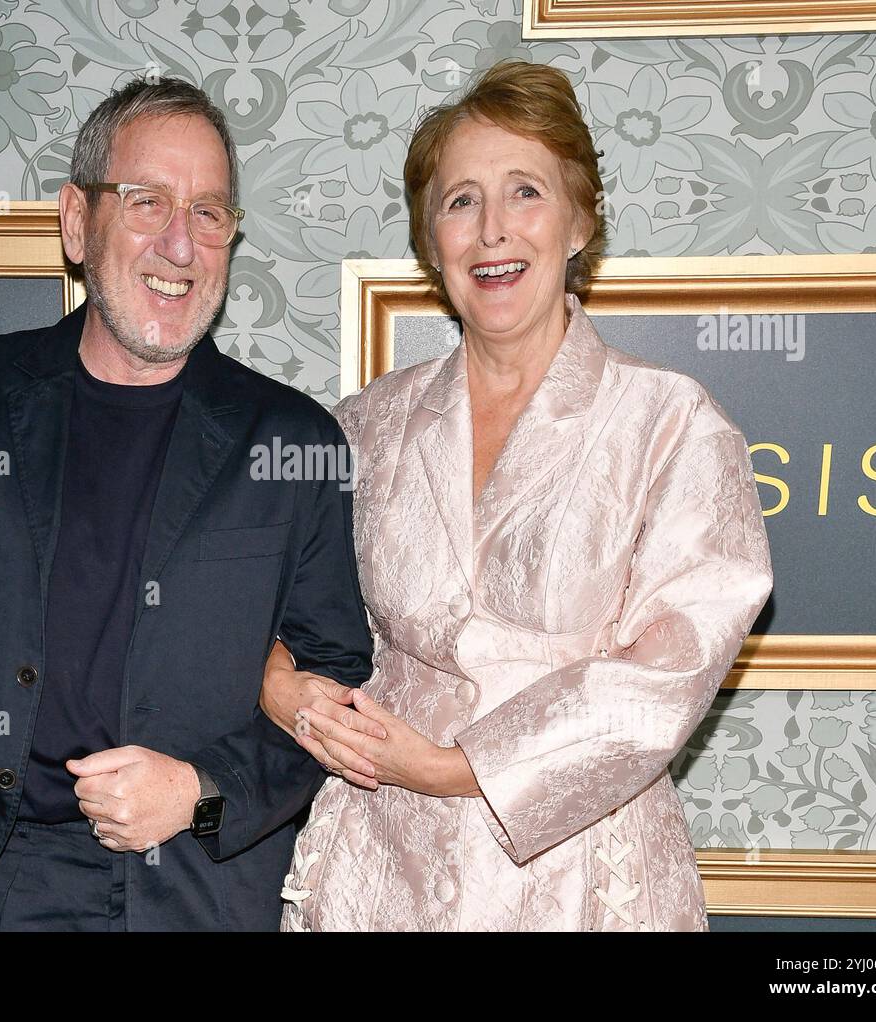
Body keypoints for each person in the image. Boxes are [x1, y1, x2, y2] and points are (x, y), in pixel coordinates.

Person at [0, 76, 372, 932]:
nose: (180, 243)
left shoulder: (292, 441)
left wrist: (199, 795)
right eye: (146, 201)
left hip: (186, 892)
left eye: (209, 213)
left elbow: (332, 687)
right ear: (75, 221)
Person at [260, 59, 774, 931]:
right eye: (461, 201)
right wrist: (278, 687)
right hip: (382, 862)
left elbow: (671, 668)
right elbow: (249, 598)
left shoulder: (672, 423)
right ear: (431, 243)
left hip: (579, 869)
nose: (492, 230)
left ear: (579, 221)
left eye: (525, 191)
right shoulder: (362, 428)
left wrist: (458, 769)